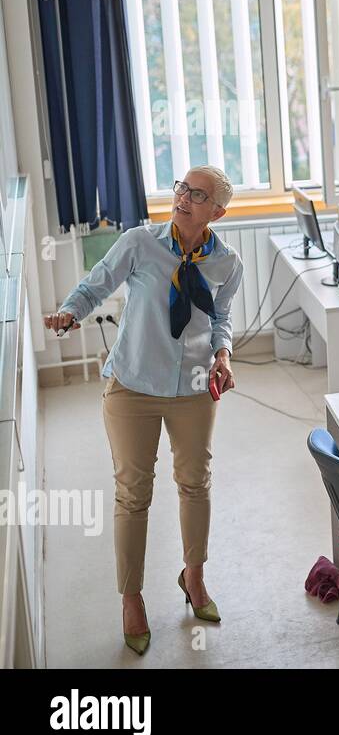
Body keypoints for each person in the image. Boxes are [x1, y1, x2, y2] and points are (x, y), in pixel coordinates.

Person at [45, 167, 243, 656]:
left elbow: (220, 317)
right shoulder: (140, 242)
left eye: (198, 195)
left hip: (195, 387)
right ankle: (131, 598)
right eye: (182, 188)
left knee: (195, 482)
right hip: (132, 385)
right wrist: (71, 311)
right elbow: (96, 284)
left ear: (216, 212)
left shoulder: (227, 262)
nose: (184, 198)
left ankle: (193, 578)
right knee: (134, 494)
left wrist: (223, 355)